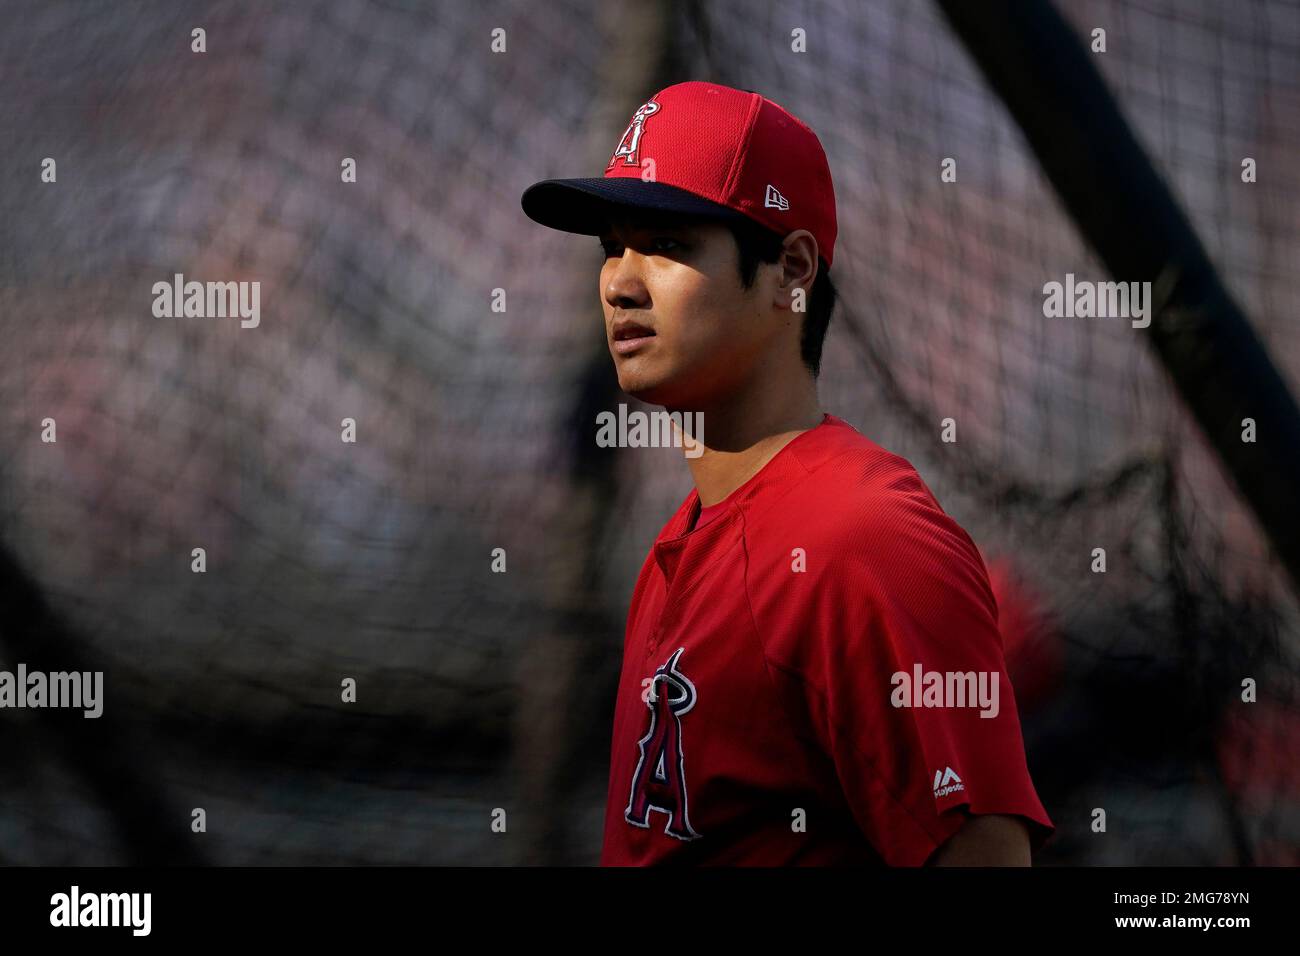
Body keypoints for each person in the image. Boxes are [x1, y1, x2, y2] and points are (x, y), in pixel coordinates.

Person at [521, 80, 1053, 865]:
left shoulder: (865, 543)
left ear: (792, 270)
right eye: (612, 244)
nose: (620, 281)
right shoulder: (678, 545)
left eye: (668, 244)